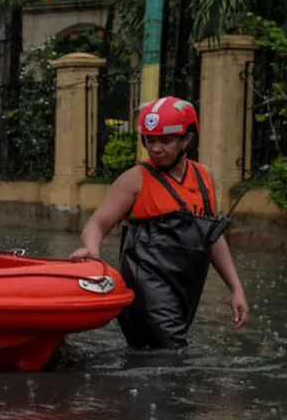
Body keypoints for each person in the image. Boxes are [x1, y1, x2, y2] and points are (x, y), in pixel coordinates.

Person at [70, 96, 248, 349]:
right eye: (150, 140)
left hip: (186, 284)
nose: (156, 149)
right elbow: (97, 224)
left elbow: (212, 236)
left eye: (165, 141)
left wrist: (236, 288)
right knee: (173, 352)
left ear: (186, 139)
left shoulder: (203, 177)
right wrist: (92, 249)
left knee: (156, 353)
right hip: (147, 279)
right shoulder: (134, 180)